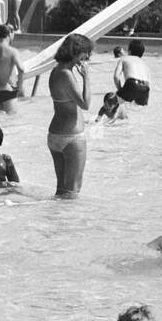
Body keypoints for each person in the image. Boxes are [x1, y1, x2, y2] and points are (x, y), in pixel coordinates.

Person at [48, 33, 92, 199]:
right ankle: (69, 225)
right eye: (85, 52)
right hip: (71, 138)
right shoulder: (66, 74)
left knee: (61, 192)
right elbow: (85, 104)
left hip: (55, 135)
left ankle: (57, 222)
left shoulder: (56, 71)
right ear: (75, 52)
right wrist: (87, 77)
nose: (87, 57)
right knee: (73, 192)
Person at [113, 39, 151, 106]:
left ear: (129, 51)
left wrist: (120, 90)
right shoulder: (145, 64)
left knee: (111, 104)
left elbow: (116, 76)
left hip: (132, 84)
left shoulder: (124, 59)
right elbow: (148, 82)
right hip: (145, 88)